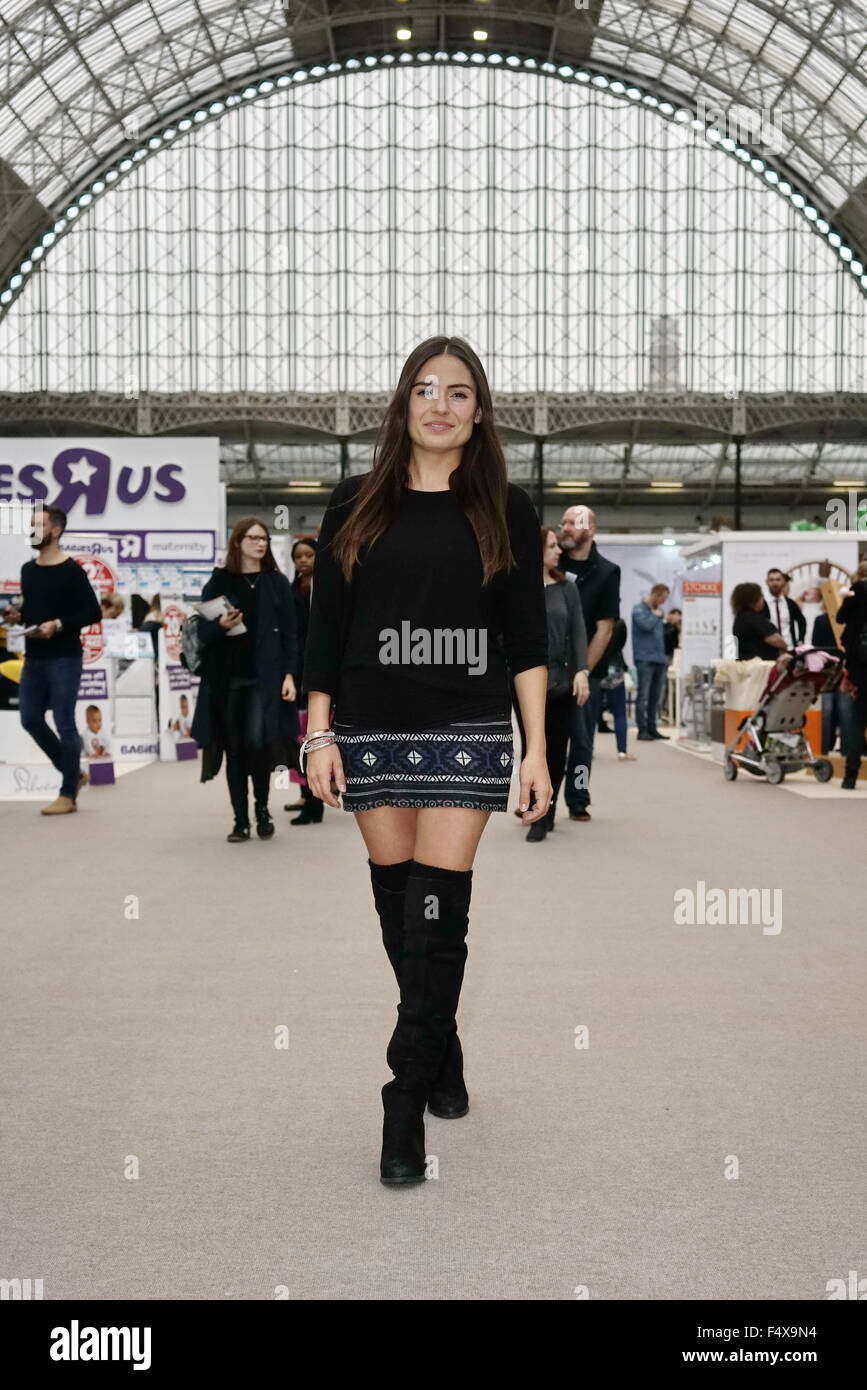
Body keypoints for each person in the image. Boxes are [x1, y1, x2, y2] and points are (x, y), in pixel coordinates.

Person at [301, 335, 550, 1186]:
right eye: (423, 390)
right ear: (402, 406)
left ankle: (400, 1098)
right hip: (370, 726)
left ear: (478, 413)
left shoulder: (507, 509)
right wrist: (318, 733)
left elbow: (525, 641)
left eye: (457, 392)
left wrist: (536, 753)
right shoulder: (353, 503)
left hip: (469, 729)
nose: (439, 405)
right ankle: (440, 1047)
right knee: (397, 912)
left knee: (440, 919)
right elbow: (325, 629)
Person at [190, 517, 300, 841]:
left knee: (257, 743)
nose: (260, 543)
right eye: (252, 537)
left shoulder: (276, 581)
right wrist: (221, 624)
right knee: (234, 749)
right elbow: (200, 632)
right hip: (225, 679)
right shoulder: (220, 580)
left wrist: (291, 674)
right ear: (237, 542)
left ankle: (262, 809)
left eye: (263, 538)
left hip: (263, 679)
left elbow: (291, 634)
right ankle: (241, 820)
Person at [19, 504, 101, 815]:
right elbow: (33, 610)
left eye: (37, 524)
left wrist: (60, 624)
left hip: (65, 656)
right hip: (34, 655)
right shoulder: (28, 570)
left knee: (64, 721)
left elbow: (92, 612)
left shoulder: (72, 571)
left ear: (55, 530)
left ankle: (68, 793)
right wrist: (18, 615)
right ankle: (72, 773)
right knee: (29, 718)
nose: (31, 529)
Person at [512, 526, 589, 842]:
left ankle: (547, 810)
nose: (559, 551)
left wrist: (582, 670)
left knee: (557, 749)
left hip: (561, 683)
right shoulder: (517, 587)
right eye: (553, 545)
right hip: (525, 683)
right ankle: (533, 808)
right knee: (532, 746)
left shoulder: (566, 587)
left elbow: (578, 630)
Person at [556, 504, 620, 822]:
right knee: (543, 739)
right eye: (563, 522)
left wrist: (582, 669)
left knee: (582, 742)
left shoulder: (607, 572)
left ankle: (578, 797)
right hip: (550, 668)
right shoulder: (550, 564)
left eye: (573, 522)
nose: (565, 527)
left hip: (588, 671)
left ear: (590, 529)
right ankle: (539, 800)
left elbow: (604, 628)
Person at [283, 536, 325, 826]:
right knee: (297, 734)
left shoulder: (325, 588)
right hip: (295, 668)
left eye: (309, 555)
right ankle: (304, 792)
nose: (304, 560)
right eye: (299, 556)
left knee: (315, 734)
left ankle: (316, 800)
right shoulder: (291, 589)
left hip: (318, 667)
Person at [834, 575, 867, 788]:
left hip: (861, 666)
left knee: (857, 720)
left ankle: (850, 776)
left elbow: (840, 617)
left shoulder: (858, 589)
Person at [631, 583, 671, 741]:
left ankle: (652, 727)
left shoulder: (657, 613)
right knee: (644, 695)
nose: (663, 602)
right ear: (655, 594)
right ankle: (642, 729)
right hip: (645, 659)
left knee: (655, 696)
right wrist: (657, 615)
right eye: (662, 598)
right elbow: (646, 626)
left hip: (659, 658)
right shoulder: (639, 609)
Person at [811, 599, 846, 754]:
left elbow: (816, 646)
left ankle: (825, 747)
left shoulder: (821, 620)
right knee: (834, 710)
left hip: (833, 669)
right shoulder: (821, 621)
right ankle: (829, 747)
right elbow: (816, 646)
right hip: (832, 669)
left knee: (831, 709)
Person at [597, 618, 635, 760]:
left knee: (589, 714)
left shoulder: (595, 621)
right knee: (620, 713)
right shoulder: (620, 623)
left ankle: (587, 749)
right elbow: (621, 645)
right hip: (615, 670)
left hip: (596, 669)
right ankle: (622, 751)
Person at [731, 583, 787, 661]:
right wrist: (785, 646)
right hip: (762, 666)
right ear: (755, 599)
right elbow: (774, 639)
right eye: (761, 596)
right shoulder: (755, 619)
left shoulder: (739, 618)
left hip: (744, 664)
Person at [761, 568, 806, 649]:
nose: (775, 583)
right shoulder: (762, 604)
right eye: (771, 580)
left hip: (789, 649)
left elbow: (802, 621)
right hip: (769, 651)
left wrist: (800, 640)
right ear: (767, 582)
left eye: (778, 579)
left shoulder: (790, 603)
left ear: (783, 582)